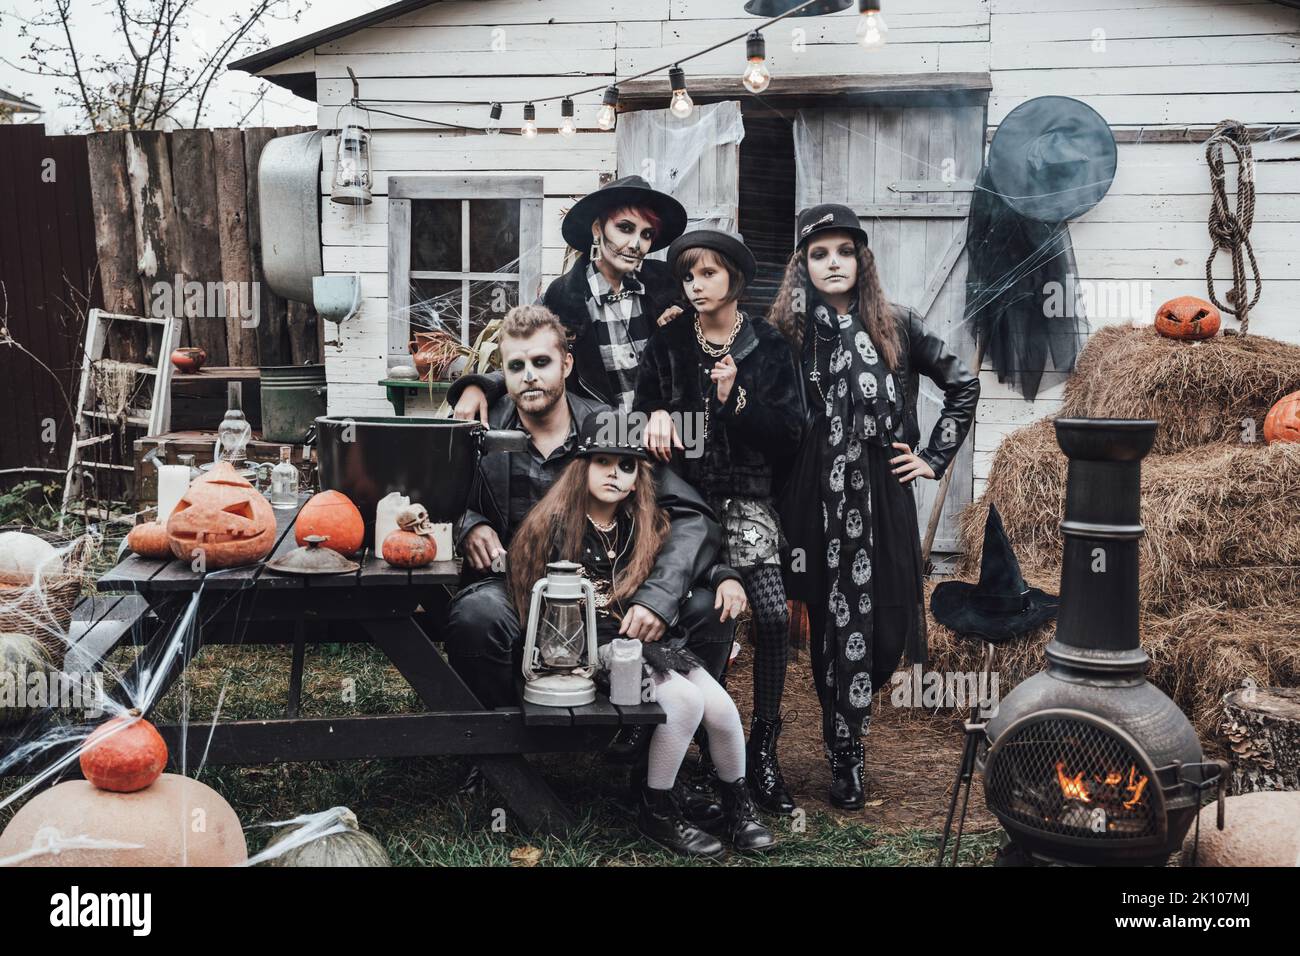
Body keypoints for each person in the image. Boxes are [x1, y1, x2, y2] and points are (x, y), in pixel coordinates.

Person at [768, 204, 980, 810]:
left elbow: (962, 384)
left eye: (843, 251)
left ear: (861, 259)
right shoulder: (789, 334)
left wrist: (933, 457)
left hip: (882, 488)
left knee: (884, 626)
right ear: (803, 265)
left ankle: (850, 725)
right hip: (813, 491)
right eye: (819, 253)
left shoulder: (899, 323)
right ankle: (847, 752)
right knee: (831, 627)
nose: (832, 263)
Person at [445, 304, 747, 709]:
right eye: (516, 366)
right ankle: (495, 751)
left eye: (541, 362)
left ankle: (663, 743)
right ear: (504, 371)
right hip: (514, 583)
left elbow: (690, 515)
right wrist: (469, 523)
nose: (529, 375)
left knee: (705, 608)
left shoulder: (608, 426)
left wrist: (657, 596)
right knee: (477, 615)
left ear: (567, 364)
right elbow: (435, 503)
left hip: (610, 581)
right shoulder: (480, 431)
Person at [507, 409, 776, 857]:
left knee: (723, 710)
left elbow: (695, 563)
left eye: (627, 465)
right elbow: (533, 600)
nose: (615, 473)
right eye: (603, 462)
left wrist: (725, 574)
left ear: (639, 476)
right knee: (683, 702)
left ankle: (737, 805)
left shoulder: (643, 524)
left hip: (649, 648)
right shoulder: (553, 526)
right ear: (582, 466)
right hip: (589, 654)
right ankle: (658, 812)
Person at [633, 229, 804, 814]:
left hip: (748, 503)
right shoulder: (667, 346)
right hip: (682, 505)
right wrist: (654, 412)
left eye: (708, 273)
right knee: (701, 617)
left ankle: (762, 749)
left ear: (734, 277)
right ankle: (700, 745)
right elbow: (632, 426)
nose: (696, 284)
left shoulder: (770, 346)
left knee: (775, 616)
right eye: (688, 275)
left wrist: (738, 400)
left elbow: (790, 436)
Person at [448, 174, 688, 422]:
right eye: (625, 228)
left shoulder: (669, 287)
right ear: (598, 229)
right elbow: (527, 354)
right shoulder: (562, 297)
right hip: (598, 440)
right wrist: (480, 386)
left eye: (646, 234)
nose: (636, 244)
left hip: (667, 437)